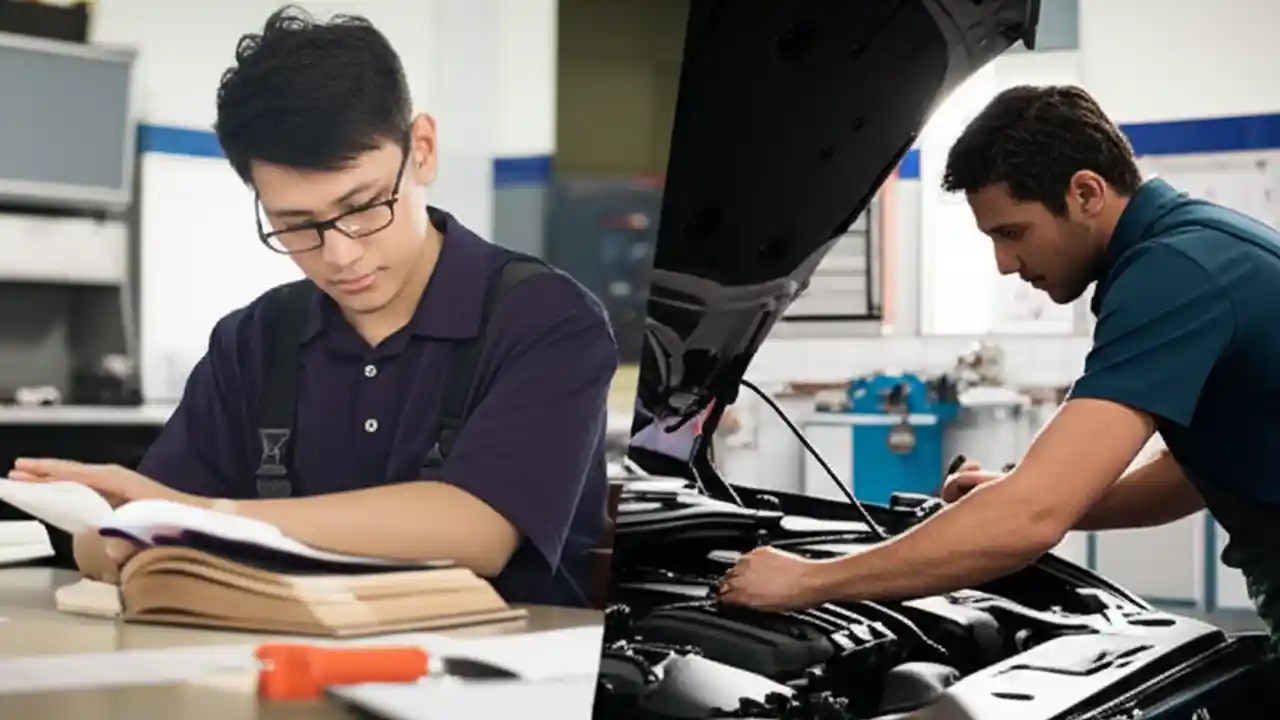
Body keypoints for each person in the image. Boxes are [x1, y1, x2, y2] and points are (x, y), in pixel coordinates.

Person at [7, 7, 618, 608]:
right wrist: (111, 535)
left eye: (361, 207)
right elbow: (140, 531)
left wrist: (199, 517)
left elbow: (475, 533)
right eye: (296, 226)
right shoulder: (253, 341)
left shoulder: (548, 321)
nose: (340, 255)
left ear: (422, 149)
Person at [716, 84, 1280, 654]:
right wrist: (1023, 495)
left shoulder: (1173, 274)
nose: (1005, 264)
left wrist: (808, 581)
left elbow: (1030, 521)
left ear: (1086, 192)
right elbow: (1190, 476)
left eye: (1012, 233)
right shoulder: (1203, 245)